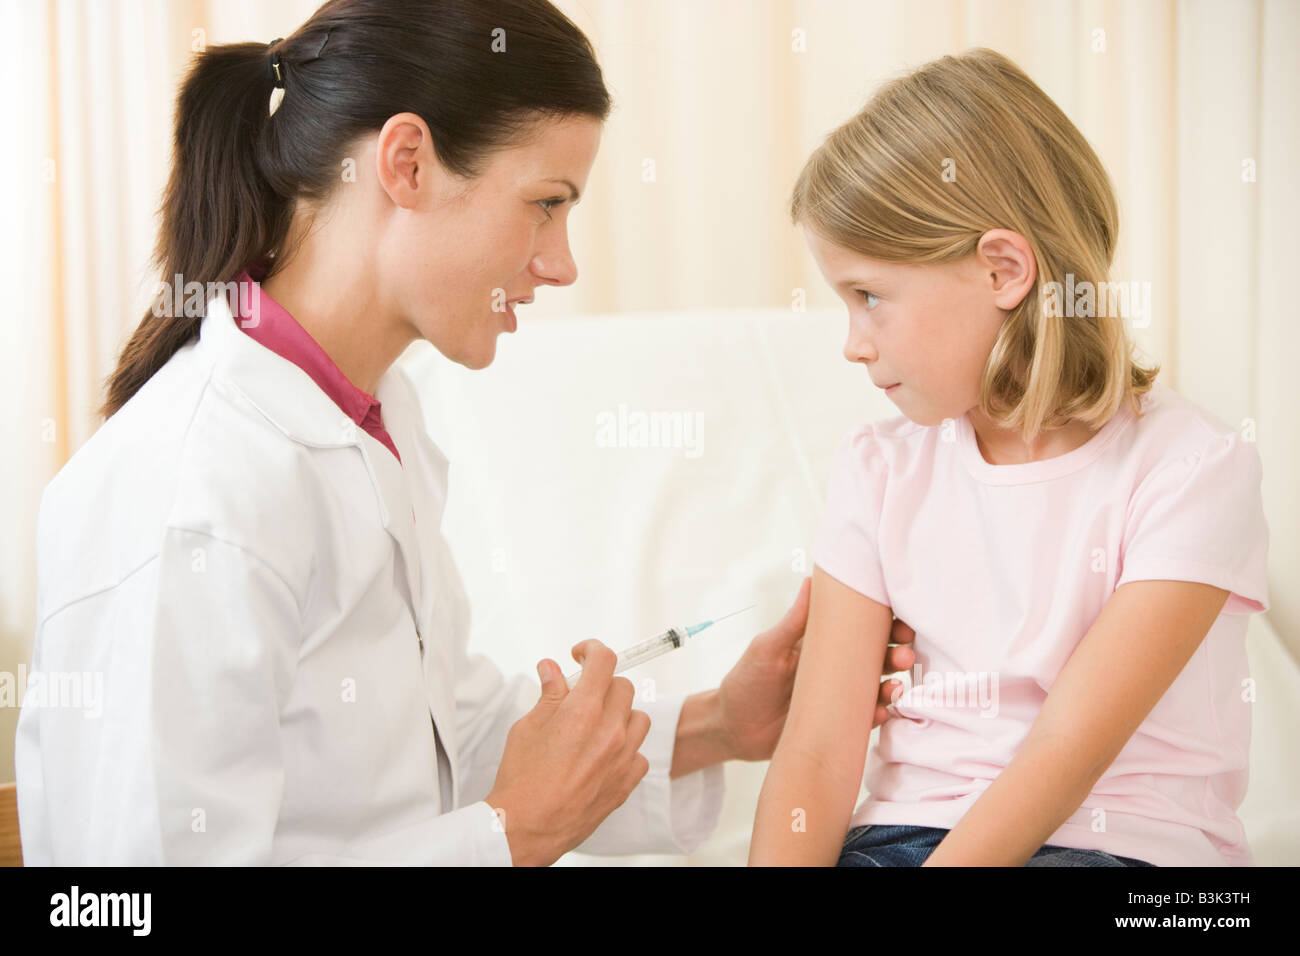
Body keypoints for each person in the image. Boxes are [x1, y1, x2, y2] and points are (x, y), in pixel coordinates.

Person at [14, 0, 918, 866]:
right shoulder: (194, 499)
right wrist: (508, 838)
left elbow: (456, 733)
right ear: (407, 163)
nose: (561, 263)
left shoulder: (377, 418)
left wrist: (722, 722)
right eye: (546, 202)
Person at [748, 48, 1270, 867]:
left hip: (1122, 849)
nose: (852, 344)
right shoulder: (878, 470)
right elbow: (817, 751)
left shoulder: (1192, 469)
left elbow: (1065, 750)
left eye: (869, 296)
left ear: (1003, 269)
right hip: (902, 839)